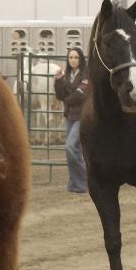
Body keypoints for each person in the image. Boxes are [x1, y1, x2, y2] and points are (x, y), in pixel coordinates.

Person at [54, 47, 89, 193]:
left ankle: (84, 182)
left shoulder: (86, 74)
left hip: (82, 116)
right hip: (69, 116)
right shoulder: (67, 75)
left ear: (80, 59)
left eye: (76, 57)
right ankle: (74, 183)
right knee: (73, 150)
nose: (73, 60)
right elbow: (60, 95)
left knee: (70, 147)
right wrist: (58, 81)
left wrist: (67, 98)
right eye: (71, 57)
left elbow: (80, 95)